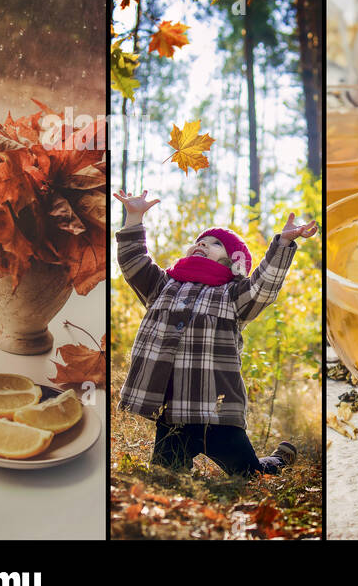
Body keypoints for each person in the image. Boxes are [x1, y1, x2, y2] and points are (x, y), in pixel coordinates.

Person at [113, 189, 318, 477]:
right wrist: (134, 217)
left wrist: (283, 243)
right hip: (173, 415)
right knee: (165, 475)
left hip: (219, 414)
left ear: (233, 260)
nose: (202, 244)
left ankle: (276, 461)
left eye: (214, 244)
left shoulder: (233, 295)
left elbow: (264, 286)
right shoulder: (163, 285)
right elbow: (134, 261)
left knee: (250, 474)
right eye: (199, 241)